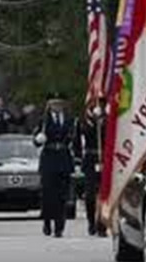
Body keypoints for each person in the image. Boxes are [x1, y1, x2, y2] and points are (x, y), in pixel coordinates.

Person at [34, 92, 75, 238]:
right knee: (48, 195)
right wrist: (39, 139)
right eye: (53, 103)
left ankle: (59, 227)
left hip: (63, 158)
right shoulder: (43, 120)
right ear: (49, 105)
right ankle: (46, 221)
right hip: (49, 158)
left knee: (62, 195)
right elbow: (35, 140)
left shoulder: (70, 119)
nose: (57, 106)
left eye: (59, 103)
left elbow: (73, 139)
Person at [74, 101, 107, 236]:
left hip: (104, 158)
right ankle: (91, 222)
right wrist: (78, 160)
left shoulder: (107, 120)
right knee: (90, 195)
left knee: (105, 194)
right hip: (90, 159)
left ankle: (102, 224)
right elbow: (77, 142)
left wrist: (101, 122)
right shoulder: (82, 122)